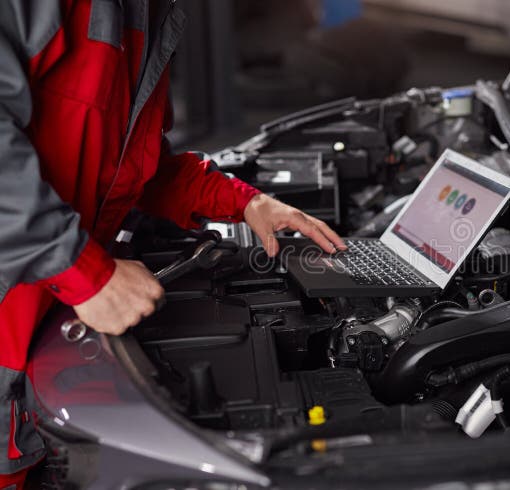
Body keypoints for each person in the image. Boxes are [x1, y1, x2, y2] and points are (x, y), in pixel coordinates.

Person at [0, 1, 345, 487]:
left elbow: (134, 169)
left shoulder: (148, 17)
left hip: (42, 339)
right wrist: (83, 273)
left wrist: (243, 201)